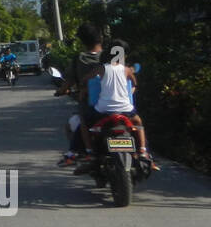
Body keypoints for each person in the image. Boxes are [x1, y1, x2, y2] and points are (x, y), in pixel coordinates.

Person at [77, 39, 156, 169]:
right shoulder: (127, 70)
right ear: (122, 56)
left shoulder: (100, 68)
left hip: (103, 110)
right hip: (126, 110)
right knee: (138, 123)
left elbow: (84, 80)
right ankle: (142, 151)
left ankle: (90, 152)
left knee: (84, 122)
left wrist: (82, 87)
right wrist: (130, 90)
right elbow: (134, 84)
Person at [54, 22, 102, 165]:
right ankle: (143, 151)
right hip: (121, 108)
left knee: (75, 124)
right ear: (100, 38)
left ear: (81, 41)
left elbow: (68, 82)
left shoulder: (79, 59)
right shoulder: (112, 59)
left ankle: (79, 153)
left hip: (91, 106)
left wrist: (61, 91)